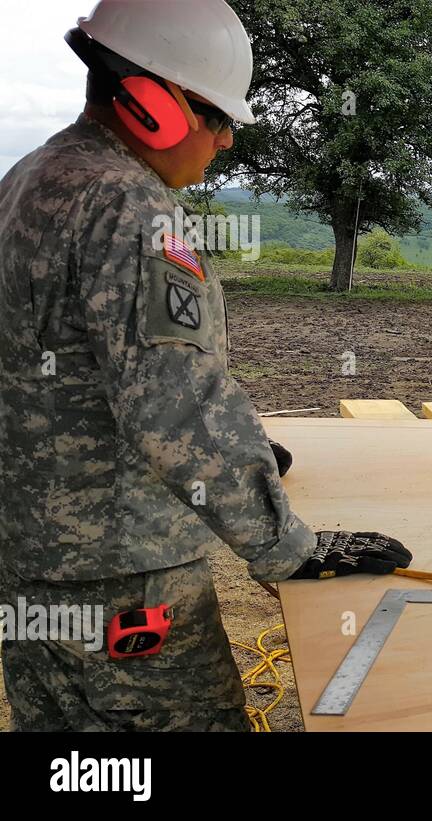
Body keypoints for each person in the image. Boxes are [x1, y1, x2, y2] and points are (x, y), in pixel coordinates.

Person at [0, 0, 408, 731]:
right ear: (154, 103)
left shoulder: (29, 178)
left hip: (30, 568)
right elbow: (174, 404)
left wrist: (244, 455)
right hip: (127, 582)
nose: (223, 142)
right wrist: (288, 545)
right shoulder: (133, 209)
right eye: (217, 118)